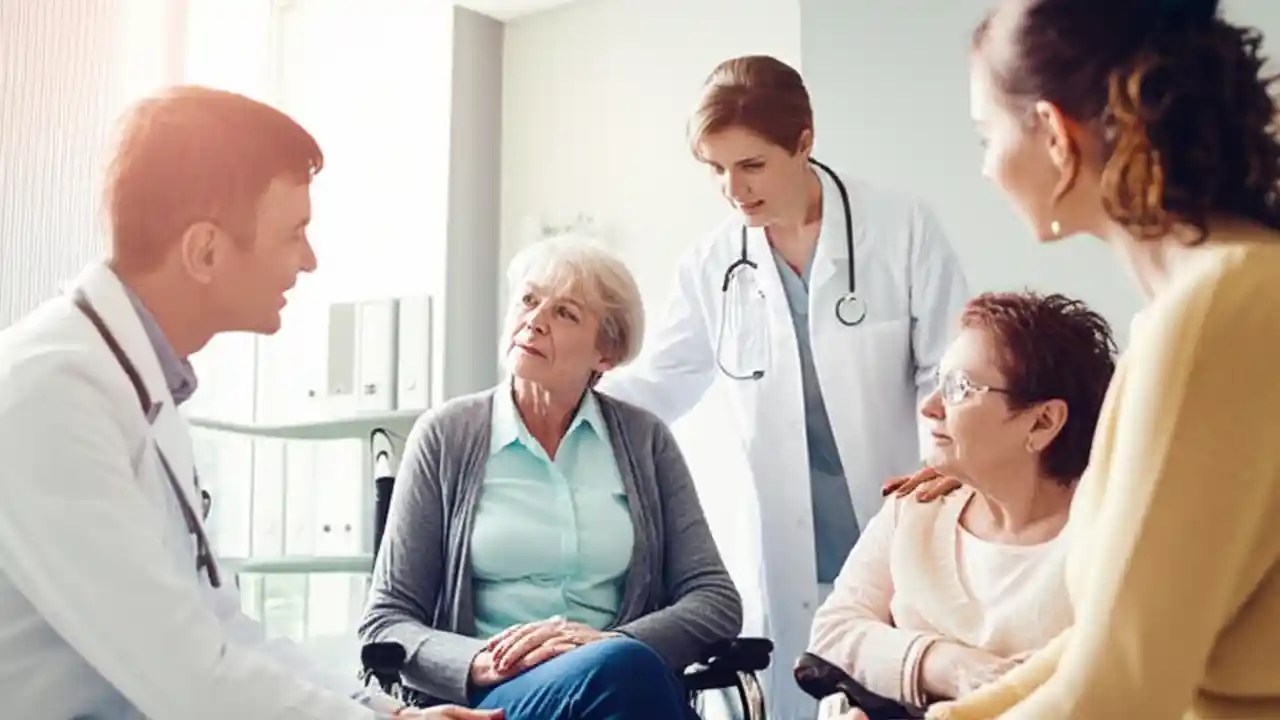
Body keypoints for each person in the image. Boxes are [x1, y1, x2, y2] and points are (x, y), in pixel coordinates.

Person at [0, 86, 492, 719]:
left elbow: (218, 623)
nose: (309, 261)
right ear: (205, 251)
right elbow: (191, 679)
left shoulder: (139, 384)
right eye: (294, 234)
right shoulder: (50, 394)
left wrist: (386, 711)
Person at [926, 1, 1280, 717]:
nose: (988, 168)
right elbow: (1103, 637)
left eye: (985, 133)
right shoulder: (1194, 310)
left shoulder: (1217, 311)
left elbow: (1120, 687)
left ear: (1055, 136)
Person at [596, 54, 970, 718]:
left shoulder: (901, 228)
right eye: (716, 170)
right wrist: (573, 397)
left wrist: (948, 460)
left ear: (804, 143)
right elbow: (663, 383)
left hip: (897, 517)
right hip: (787, 539)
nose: (734, 190)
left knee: (912, 694)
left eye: (751, 165)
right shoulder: (713, 263)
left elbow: (949, 371)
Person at [360, 237, 744, 719]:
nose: (534, 320)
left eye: (565, 312)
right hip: (495, 700)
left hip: (622, 684)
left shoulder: (646, 440)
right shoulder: (445, 435)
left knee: (620, 673)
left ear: (606, 352)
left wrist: (610, 643)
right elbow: (385, 622)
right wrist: (476, 662)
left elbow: (716, 600)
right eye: (527, 299)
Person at [808, 292, 1117, 718]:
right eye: (939, 381)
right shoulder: (918, 507)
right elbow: (833, 630)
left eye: (959, 388)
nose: (930, 406)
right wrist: (949, 666)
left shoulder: (1109, 536)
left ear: (1042, 421)